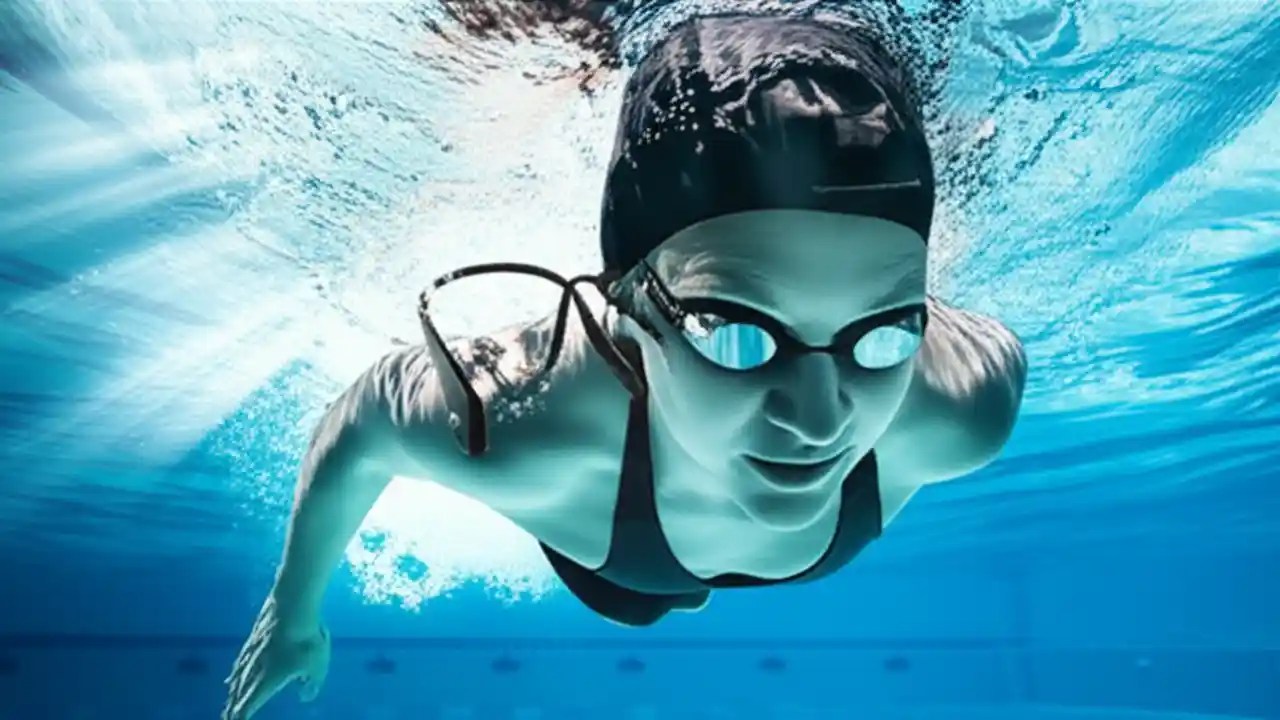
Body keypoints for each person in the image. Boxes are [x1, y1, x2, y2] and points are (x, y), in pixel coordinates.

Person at [222, 9, 1026, 720]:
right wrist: (292, 608)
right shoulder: (526, 430)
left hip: (637, 534)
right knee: (630, 601)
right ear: (629, 303)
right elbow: (363, 415)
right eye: (736, 335)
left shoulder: (963, 408)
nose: (819, 420)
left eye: (881, 334)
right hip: (618, 552)